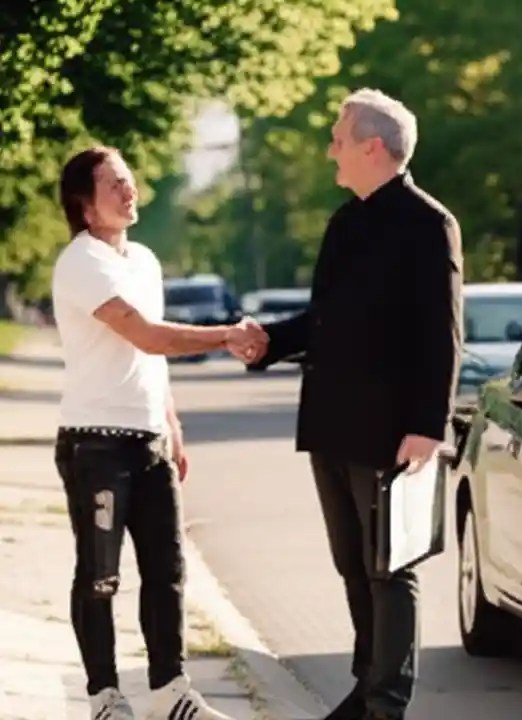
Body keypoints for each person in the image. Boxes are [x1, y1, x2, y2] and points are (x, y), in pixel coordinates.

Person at [230, 88, 463, 720]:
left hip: (391, 431)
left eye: (338, 137)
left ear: (372, 147)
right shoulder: (345, 221)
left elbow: (441, 334)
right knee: (352, 567)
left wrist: (427, 426)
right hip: (330, 422)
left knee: (391, 570)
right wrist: (269, 342)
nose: (330, 149)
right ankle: (365, 688)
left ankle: (386, 704)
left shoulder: (428, 223)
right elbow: (326, 321)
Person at [50, 146, 265, 719]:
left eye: (129, 180)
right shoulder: (81, 262)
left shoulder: (143, 260)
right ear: (86, 207)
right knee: (100, 575)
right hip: (95, 444)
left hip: (147, 441)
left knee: (167, 571)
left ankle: (170, 692)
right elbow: (146, 335)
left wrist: (171, 423)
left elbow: (154, 360)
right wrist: (225, 336)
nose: (129, 190)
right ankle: (104, 696)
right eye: (114, 184)